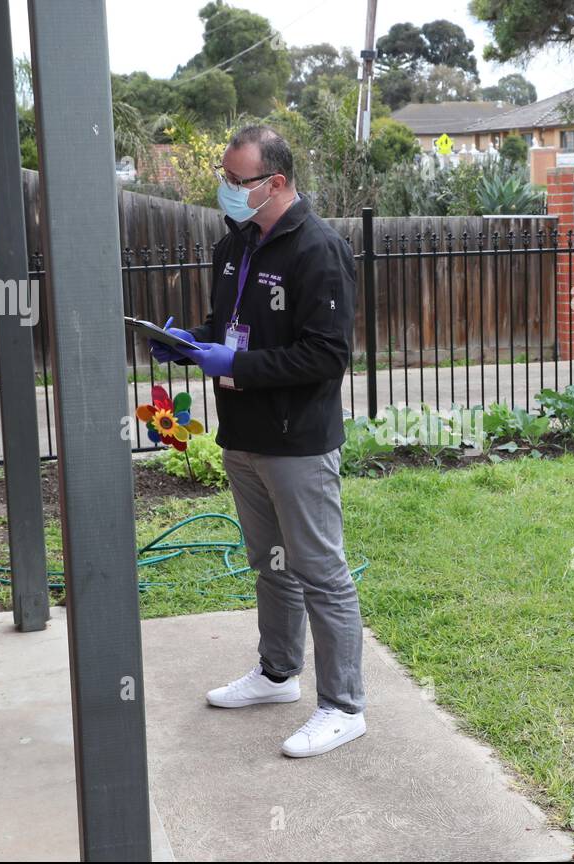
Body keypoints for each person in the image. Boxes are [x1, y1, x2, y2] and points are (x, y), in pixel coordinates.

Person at [149, 125, 365, 759]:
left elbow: (326, 355)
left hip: (297, 442)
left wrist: (235, 365)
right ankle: (277, 675)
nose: (226, 189)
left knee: (320, 572)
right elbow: (232, 326)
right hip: (242, 435)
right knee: (270, 564)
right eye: (224, 177)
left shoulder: (319, 249)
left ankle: (344, 706)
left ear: (276, 182)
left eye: (236, 180)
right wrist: (191, 342)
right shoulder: (236, 243)